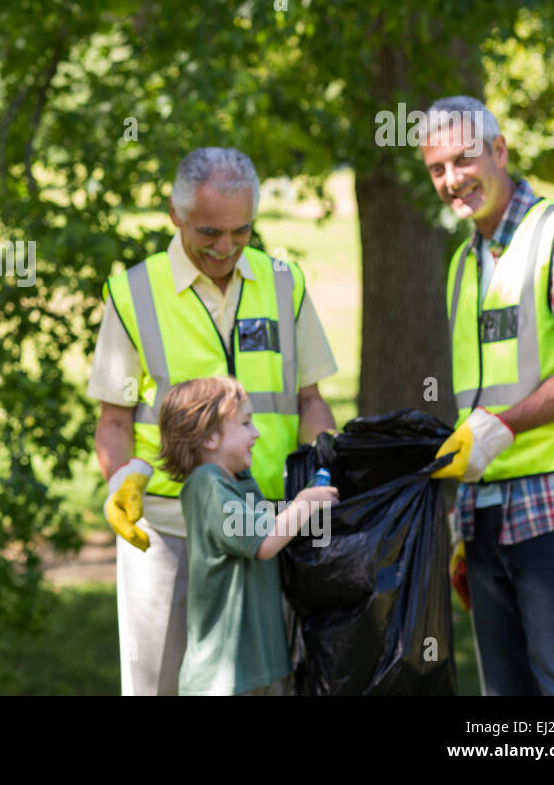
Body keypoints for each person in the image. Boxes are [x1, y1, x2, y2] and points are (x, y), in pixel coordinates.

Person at [90, 146, 338, 696]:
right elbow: (114, 417)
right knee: (162, 685)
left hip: (270, 522)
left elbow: (312, 400)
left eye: (241, 232)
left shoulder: (283, 282)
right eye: (209, 232)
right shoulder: (135, 292)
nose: (225, 247)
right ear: (175, 216)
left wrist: (323, 468)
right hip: (167, 530)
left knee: (266, 683)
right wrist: (118, 479)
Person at [419, 95, 554, 695]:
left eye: (464, 159)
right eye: (437, 168)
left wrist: (503, 427)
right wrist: (467, 511)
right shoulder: (465, 263)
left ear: (500, 151)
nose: (453, 179)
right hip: (488, 518)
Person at [159, 376, 337, 695]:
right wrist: (304, 503)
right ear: (210, 437)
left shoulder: (237, 482)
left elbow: (272, 525)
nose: (256, 433)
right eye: (245, 423)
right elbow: (265, 542)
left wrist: (311, 509)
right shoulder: (207, 486)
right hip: (224, 679)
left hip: (257, 671)